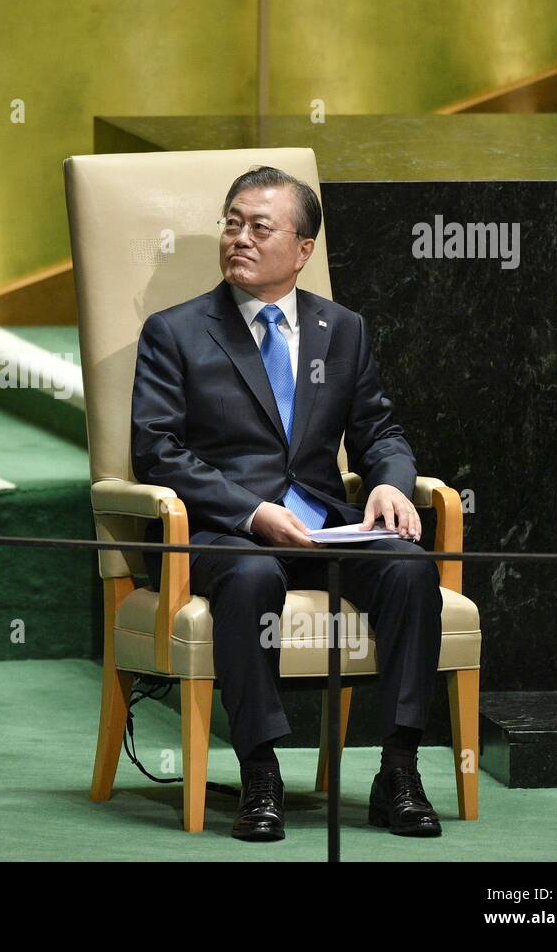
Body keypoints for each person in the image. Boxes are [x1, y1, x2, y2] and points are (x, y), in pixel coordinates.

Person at [131, 166, 444, 842]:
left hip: (327, 528)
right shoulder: (176, 332)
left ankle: (398, 768)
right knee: (251, 576)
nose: (238, 238)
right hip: (227, 534)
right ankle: (260, 769)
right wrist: (253, 511)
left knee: (413, 569)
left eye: (259, 227)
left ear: (303, 249)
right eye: (232, 222)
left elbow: (380, 430)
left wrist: (390, 478)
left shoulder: (343, 330)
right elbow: (156, 450)